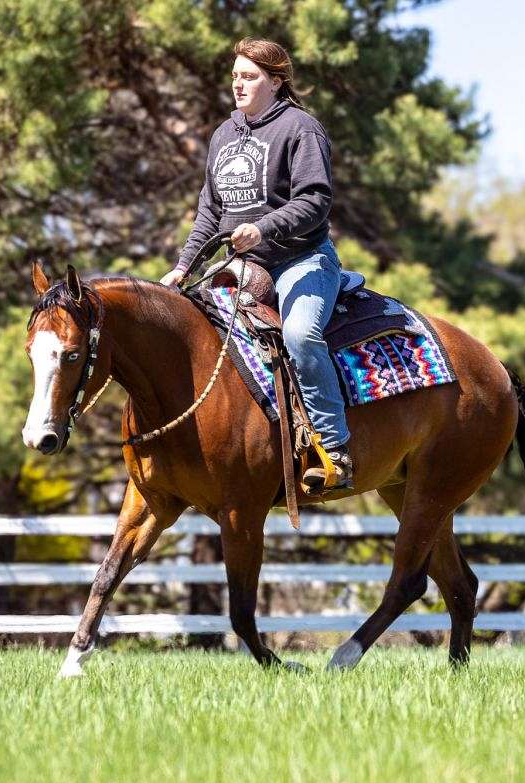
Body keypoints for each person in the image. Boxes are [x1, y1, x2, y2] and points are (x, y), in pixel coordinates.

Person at [162, 37, 352, 492]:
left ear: (276, 81)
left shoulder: (301, 128)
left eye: (249, 76)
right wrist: (183, 268)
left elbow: (316, 200)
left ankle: (335, 450)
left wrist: (264, 228)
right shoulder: (223, 135)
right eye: (235, 76)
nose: (238, 85)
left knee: (300, 335)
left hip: (302, 260)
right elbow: (210, 212)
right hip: (240, 266)